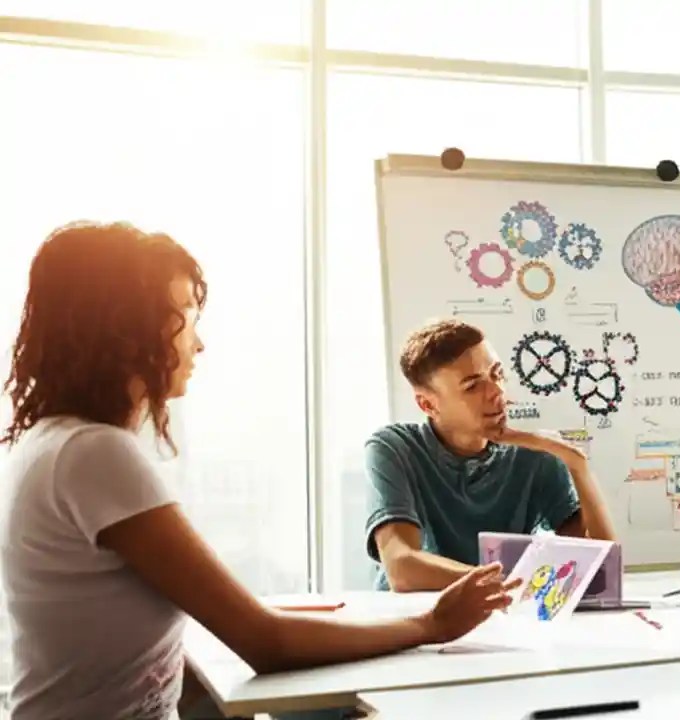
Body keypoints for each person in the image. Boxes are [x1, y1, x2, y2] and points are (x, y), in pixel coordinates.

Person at [0, 222, 517, 720]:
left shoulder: (54, 442)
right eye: (185, 317)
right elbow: (264, 642)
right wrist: (432, 624)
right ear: (125, 327)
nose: (197, 344)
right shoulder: (97, 454)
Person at [365, 319, 616, 593]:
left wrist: (577, 465)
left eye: (497, 374)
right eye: (472, 386)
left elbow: (603, 570)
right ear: (428, 404)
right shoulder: (394, 448)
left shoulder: (535, 458)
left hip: (505, 617)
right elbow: (402, 568)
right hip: (416, 620)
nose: (497, 392)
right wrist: (514, 583)